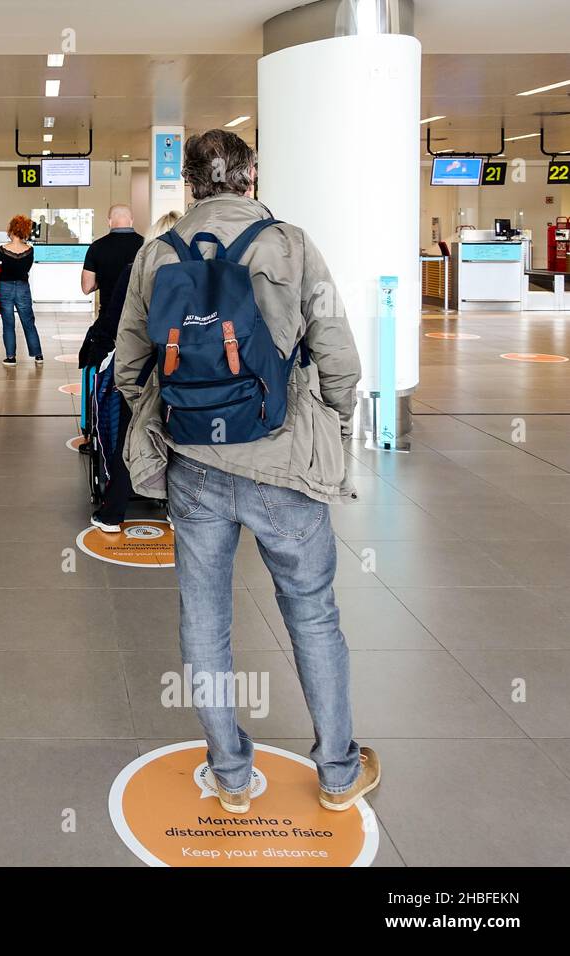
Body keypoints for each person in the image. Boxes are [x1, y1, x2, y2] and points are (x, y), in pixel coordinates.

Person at [113, 129, 375, 815]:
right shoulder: (289, 243)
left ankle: (229, 772)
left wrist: (168, 419)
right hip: (283, 461)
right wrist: (335, 426)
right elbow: (338, 354)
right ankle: (339, 771)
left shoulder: (155, 253)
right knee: (313, 614)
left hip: (194, 467)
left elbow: (130, 366)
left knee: (204, 620)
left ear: (192, 183)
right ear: (249, 176)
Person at [81, 209, 174, 532]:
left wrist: (102, 355)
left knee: (128, 431)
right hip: (184, 369)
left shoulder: (136, 271)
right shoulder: (197, 273)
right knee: (179, 431)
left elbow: (119, 324)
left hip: (141, 368)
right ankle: (177, 507)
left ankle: (114, 510)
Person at [0, 215, 42, 367]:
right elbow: (25, 269)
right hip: (23, 288)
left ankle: (11, 357)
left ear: (11, 229)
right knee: (28, 322)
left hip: (4, 288)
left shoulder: (2, 250)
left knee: (8, 323)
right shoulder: (29, 250)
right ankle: (38, 355)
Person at [81, 204, 144, 318]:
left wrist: (103, 279)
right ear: (131, 220)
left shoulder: (97, 247)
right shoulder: (146, 245)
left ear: (109, 221)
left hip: (108, 316)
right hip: (138, 318)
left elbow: (87, 287)